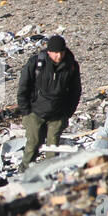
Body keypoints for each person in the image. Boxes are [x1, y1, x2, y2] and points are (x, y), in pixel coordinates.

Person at [17, 35, 81, 170]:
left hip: (58, 113)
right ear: (49, 51)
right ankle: (24, 172)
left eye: (61, 52)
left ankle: (50, 175)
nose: (58, 56)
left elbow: (75, 91)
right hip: (35, 111)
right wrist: (26, 111)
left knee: (53, 148)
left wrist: (68, 113)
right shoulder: (36, 63)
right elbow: (23, 86)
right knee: (33, 143)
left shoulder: (71, 65)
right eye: (55, 52)